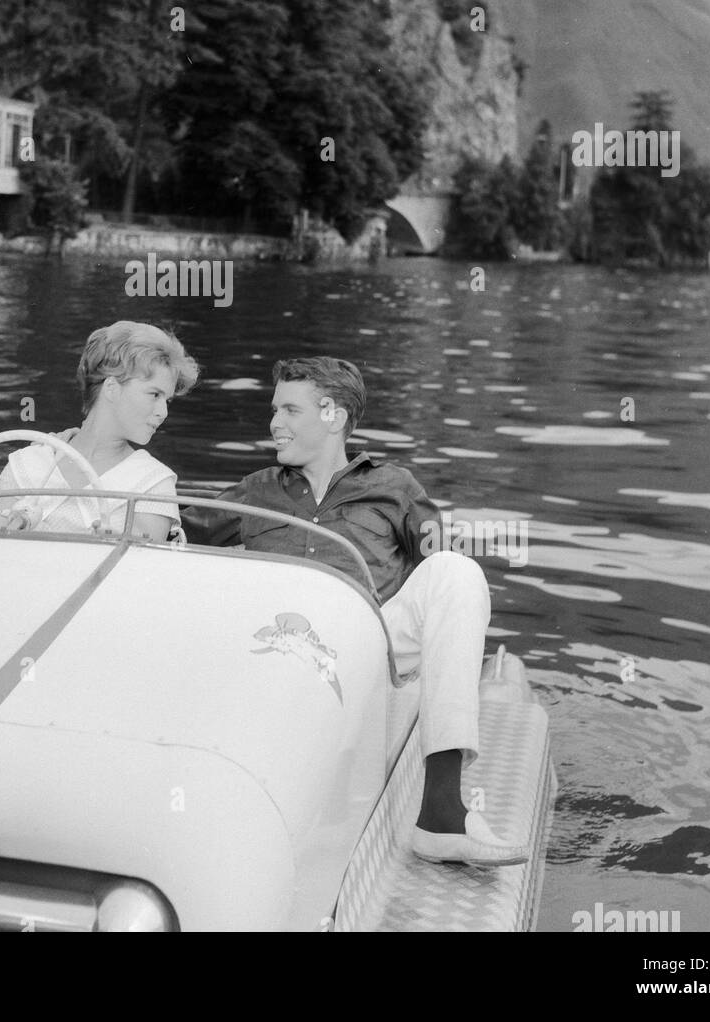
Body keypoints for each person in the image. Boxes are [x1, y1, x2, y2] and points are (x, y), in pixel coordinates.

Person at [181, 356, 527, 867]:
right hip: (279, 651)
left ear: (334, 415)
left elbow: (440, 580)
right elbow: (168, 533)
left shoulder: (394, 487)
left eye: (290, 410)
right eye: (275, 410)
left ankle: (441, 814)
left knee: (456, 570)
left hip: (370, 654)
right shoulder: (257, 490)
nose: (274, 423)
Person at [0, 321, 198, 543]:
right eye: (154, 394)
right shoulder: (29, 463)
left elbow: (145, 563)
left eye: (167, 400)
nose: (163, 412)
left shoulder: (154, 482)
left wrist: (118, 542)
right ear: (111, 388)